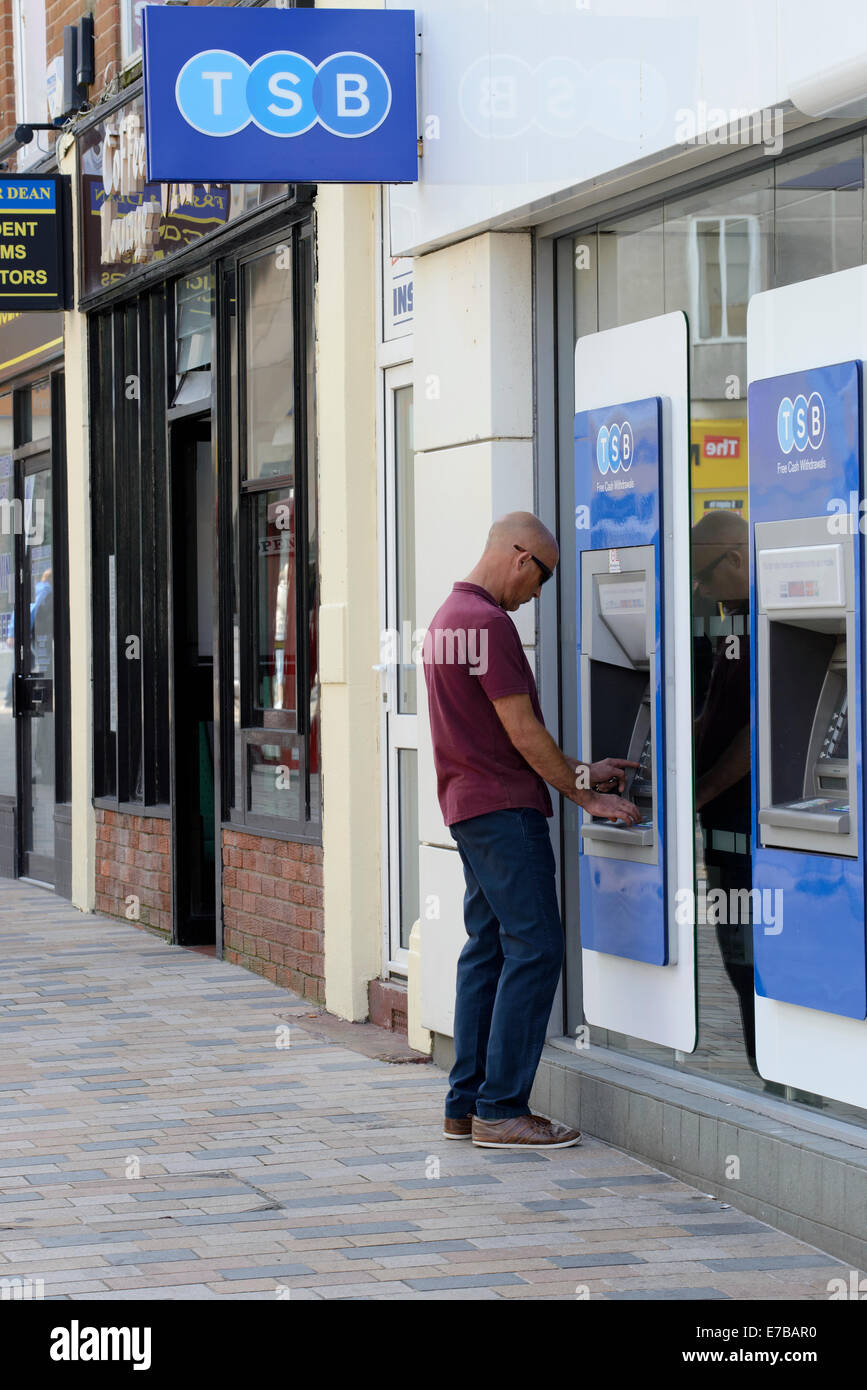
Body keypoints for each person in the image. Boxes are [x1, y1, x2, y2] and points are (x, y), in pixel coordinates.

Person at [423, 511, 639, 1150]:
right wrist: (585, 797)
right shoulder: (488, 623)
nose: (538, 593)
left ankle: (465, 1106)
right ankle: (502, 1109)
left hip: (468, 808)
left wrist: (584, 771)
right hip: (505, 811)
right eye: (542, 576)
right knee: (537, 946)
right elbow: (520, 731)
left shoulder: (444, 621)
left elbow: (502, 732)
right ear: (521, 557)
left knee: (487, 948)